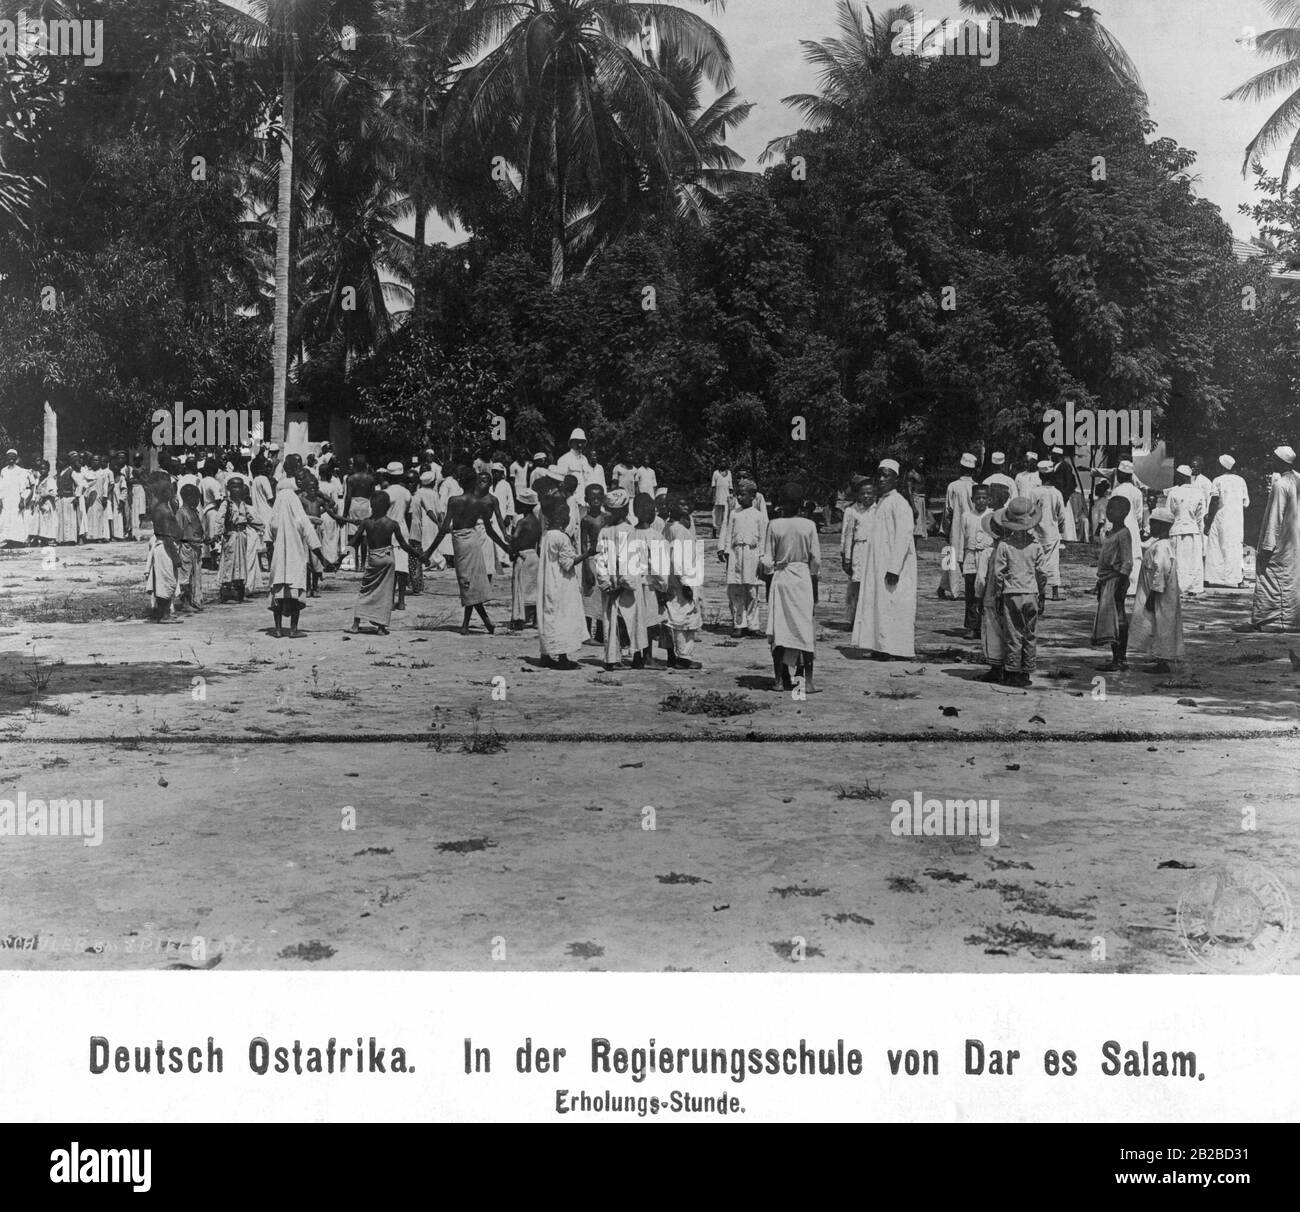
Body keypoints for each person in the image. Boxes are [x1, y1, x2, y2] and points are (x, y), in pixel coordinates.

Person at [422, 466, 511, 635]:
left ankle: (469, 624)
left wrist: (429, 551)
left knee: (466, 583)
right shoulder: (480, 503)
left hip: (461, 542)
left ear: (461, 482)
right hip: (473, 540)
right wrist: (504, 545)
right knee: (468, 583)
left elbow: (443, 530)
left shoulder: (454, 501)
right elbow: (490, 530)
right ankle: (482, 623)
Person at [851, 459, 917, 660]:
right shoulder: (881, 502)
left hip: (893, 566)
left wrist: (894, 568)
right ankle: (881, 645)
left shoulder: (899, 504)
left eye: (886, 475)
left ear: (895, 479)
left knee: (893, 605)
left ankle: (894, 648)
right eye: (879, 475)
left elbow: (903, 537)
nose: (881, 479)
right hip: (878, 565)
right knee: (880, 605)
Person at [761, 482, 821, 691]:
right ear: (802, 504)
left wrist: (769, 575)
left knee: (780, 628)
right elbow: (816, 561)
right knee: (804, 627)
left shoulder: (774, 525)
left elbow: (767, 560)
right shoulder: (809, 525)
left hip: (782, 578)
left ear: (780, 504)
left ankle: (779, 680)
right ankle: (807, 682)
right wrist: (814, 584)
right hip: (803, 578)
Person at [988, 496, 1048, 688]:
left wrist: (998, 595)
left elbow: (999, 574)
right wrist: (1042, 594)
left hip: (1011, 593)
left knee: (1013, 633)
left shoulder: (1005, 545)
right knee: (1030, 633)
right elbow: (1042, 573)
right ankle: (1027, 671)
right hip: (1031, 593)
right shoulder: (1036, 546)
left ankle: (1013, 671)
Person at [349, 490, 427, 635]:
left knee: (365, 590)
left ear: (371, 506)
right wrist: (419, 555)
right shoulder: (392, 524)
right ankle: (380, 627)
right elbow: (404, 545)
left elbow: (354, 541)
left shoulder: (366, 523)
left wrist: (341, 557)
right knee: (385, 594)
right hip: (387, 558)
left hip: (373, 558)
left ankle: (355, 624)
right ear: (387, 507)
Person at [265, 454, 324, 638]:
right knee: (295, 590)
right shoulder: (293, 498)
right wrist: (322, 558)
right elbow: (305, 528)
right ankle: (292, 630)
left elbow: (272, 525)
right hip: (295, 551)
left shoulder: (280, 495)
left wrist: (270, 548)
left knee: (278, 589)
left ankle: (276, 629)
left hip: (279, 551)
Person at [592, 488, 650, 670]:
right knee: (635, 618)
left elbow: (599, 559)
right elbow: (629, 560)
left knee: (610, 619)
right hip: (627, 583)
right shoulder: (628, 531)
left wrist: (606, 584)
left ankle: (611, 658)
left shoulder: (604, 531)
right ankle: (637, 656)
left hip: (610, 583)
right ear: (626, 510)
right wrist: (625, 583)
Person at [537, 499, 594, 669]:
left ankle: (545, 655)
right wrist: (588, 554)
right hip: (561, 584)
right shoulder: (561, 537)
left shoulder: (546, 535)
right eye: (566, 514)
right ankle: (562, 658)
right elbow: (568, 562)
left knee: (550, 617)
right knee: (563, 617)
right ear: (559, 517)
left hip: (549, 581)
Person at [1250, 446, 1300, 631]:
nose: (1271, 462)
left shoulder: (1281, 484)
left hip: (1281, 542)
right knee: (1292, 579)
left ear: (1281, 461)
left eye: (1273, 459)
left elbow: (1275, 516)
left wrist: (1267, 545)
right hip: (1294, 541)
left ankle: (1276, 621)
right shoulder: (1297, 479)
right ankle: (1291, 619)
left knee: (1274, 577)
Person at [1130, 506, 1185, 671]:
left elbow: (1160, 570)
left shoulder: (1162, 547)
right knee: (1157, 623)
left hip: (1160, 593)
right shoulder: (1160, 544)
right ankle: (1157, 655)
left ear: (1162, 526)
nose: (1150, 528)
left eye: (1153, 524)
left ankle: (1163, 661)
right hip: (1157, 590)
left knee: (1164, 623)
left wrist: (1154, 593)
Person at [655, 494, 704, 670]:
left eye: (687, 502)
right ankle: (684, 657)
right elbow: (678, 559)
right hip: (681, 577)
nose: (685, 506)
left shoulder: (668, 527)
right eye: (680, 503)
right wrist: (685, 583)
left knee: (670, 615)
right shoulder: (679, 530)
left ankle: (670, 654)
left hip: (669, 577)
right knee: (685, 617)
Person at [717, 477, 767, 638]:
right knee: (736, 590)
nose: (739, 497)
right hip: (736, 554)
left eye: (743, 494)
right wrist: (725, 549)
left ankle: (753, 625)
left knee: (752, 591)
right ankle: (739, 623)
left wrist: (762, 558)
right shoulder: (734, 514)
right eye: (738, 494)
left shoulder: (759, 516)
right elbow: (728, 532)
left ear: (752, 496)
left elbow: (763, 539)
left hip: (752, 555)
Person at [1092, 496, 1134, 672]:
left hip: (1116, 580)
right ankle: (1116, 657)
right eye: (1108, 508)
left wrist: (1121, 584)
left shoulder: (1123, 534)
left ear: (1124, 513)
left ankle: (1120, 658)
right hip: (1107, 580)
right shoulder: (1111, 533)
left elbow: (1127, 562)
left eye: (1113, 509)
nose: (1109, 512)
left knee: (1118, 618)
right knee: (1111, 620)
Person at [1204, 455, 1250, 589]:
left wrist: (1208, 521)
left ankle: (1210, 578)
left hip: (1220, 519)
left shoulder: (1217, 480)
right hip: (1236, 520)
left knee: (1215, 546)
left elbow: (1214, 502)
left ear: (1222, 466)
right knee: (1234, 548)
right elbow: (1245, 503)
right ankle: (1237, 579)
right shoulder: (1241, 480)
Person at [939, 453, 977, 599]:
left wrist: (945, 529)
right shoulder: (975, 487)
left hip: (956, 525)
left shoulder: (953, 486)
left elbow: (947, 510)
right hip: (970, 526)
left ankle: (951, 589)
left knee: (951, 556)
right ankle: (948, 587)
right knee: (966, 556)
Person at [145, 480, 182, 623]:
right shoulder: (163, 510)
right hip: (166, 547)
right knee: (166, 581)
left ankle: (165, 612)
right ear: (163, 493)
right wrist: (175, 556)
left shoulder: (163, 508)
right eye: (169, 491)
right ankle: (165, 614)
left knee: (167, 580)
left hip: (166, 546)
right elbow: (166, 535)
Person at [1029, 460, 1067, 601]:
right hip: (1052, 531)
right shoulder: (1057, 493)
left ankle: (1037, 590)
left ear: (1040, 475)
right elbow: (1061, 514)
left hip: (1036, 531)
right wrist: (1061, 529)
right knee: (1052, 562)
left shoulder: (1034, 492)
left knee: (1036, 561)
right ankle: (1055, 592)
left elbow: (1030, 512)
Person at [1165, 464, 1205, 597]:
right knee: (1192, 560)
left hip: (1176, 529)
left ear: (1181, 477)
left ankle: (1178, 586)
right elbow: (1200, 516)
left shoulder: (1174, 492)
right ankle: (1193, 587)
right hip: (1193, 530)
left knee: (1179, 560)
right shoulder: (1199, 493)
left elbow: (1168, 513)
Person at [218, 478, 260, 603]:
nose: (237, 490)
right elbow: (219, 519)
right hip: (231, 535)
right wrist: (217, 534)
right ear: (229, 489)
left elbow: (251, 518)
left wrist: (262, 527)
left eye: (240, 487)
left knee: (241, 562)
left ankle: (239, 592)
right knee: (229, 562)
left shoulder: (243, 504)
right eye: (234, 487)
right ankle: (227, 593)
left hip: (242, 535)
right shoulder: (226, 504)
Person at [839, 476, 874, 623]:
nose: (866, 496)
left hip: (873, 551)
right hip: (858, 551)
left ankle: (869, 620)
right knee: (856, 586)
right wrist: (846, 558)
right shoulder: (851, 511)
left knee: (871, 586)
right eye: (862, 493)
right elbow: (846, 536)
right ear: (857, 494)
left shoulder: (877, 509)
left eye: (869, 493)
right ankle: (853, 619)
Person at [960, 483, 993, 638]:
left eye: (984, 498)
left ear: (989, 499)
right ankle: (972, 626)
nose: (981, 501)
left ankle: (986, 626)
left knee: (985, 591)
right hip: (970, 556)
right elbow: (961, 538)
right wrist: (961, 559)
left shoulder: (992, 516)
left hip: (986, 556)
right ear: (972, 499)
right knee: (971, 592)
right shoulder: (966, 516)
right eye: (978, 498)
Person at [1110, 460, 1146, 597]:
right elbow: (1139, 514)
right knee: (1135, 555)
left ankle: (1120, 585)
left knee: (1119, 555)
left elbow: (1111, 511)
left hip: (1119, 526)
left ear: (1120, 475)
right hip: (1132, 526)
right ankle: (1133, 586)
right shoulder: (1137, 492)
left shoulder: (1116, 491)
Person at [579, 483, 608, 642]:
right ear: (586, 499)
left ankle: (601, 634)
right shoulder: (586, 520)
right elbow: (584, 544)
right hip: (591, 559)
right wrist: (586, 567)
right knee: (589, 597)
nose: (596, 500)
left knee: (603, 596)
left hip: (605, 559)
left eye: (599, 497)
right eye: (592, 498)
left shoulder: (608, 517)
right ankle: (587, 634)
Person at [509, 487, 542, 630]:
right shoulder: (536, 521)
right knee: (533, 588)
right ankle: (535, 619)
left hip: (523, 555)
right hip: (534, 555)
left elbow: (515, 538)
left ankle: (519, 618)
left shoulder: (522, 522)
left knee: (520, 587)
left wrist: (512, 549)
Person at [174, 483, 207, 612]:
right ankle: (185, 602)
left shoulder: (195, 511)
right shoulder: (181, 513)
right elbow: (179, 532)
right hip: (186, 547)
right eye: (195, 497)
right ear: (188, 497)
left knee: (195, 575)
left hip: (196, 547)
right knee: (185, 575)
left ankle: (194, 599)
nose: (197, 500)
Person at [341, 454, 376, 571]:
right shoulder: (370, 478)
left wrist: (345, 514)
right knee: (365, 535)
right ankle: (362, 565)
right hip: (366, 504)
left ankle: (353, 563)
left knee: (353, 534)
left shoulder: (350, 478)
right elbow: (373, 495)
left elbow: (348, 497)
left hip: (354, 504)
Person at [30, 461, 57, 545]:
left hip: (47, 503)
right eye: (41, 469)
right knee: (38, 520)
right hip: (38, 503)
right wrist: (34, 500)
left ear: (48, 469)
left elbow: (54, 492)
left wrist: (45, 495)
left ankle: (45, 538)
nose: (42, 471)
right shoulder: (38, 479)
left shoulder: (50, 479)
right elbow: (35, 491)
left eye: (44, 469)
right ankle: (38, 537)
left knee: (46, 521)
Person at [905, 458, 928, 540]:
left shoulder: (921, 473)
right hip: (915, 500)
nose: (921, 464)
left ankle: (915, 550)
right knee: (914, 528)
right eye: (919, 462)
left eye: (923, 462)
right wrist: (914, 507)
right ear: (915, 462)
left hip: (921, 499)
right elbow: (909, 491)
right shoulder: (911, 474)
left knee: (919, 529)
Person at [711, 465, 733, 536]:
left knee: (726, 514)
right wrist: (714, 496)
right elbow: (713, 486)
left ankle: (724, 532)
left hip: (726, 497)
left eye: (724, 462)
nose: (723, 463)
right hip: (718, 497)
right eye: (721, 462)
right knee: (717, 514)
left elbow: (730, 486)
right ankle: (715, 530)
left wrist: (731, 495)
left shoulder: (729, 473)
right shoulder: (715, 473)